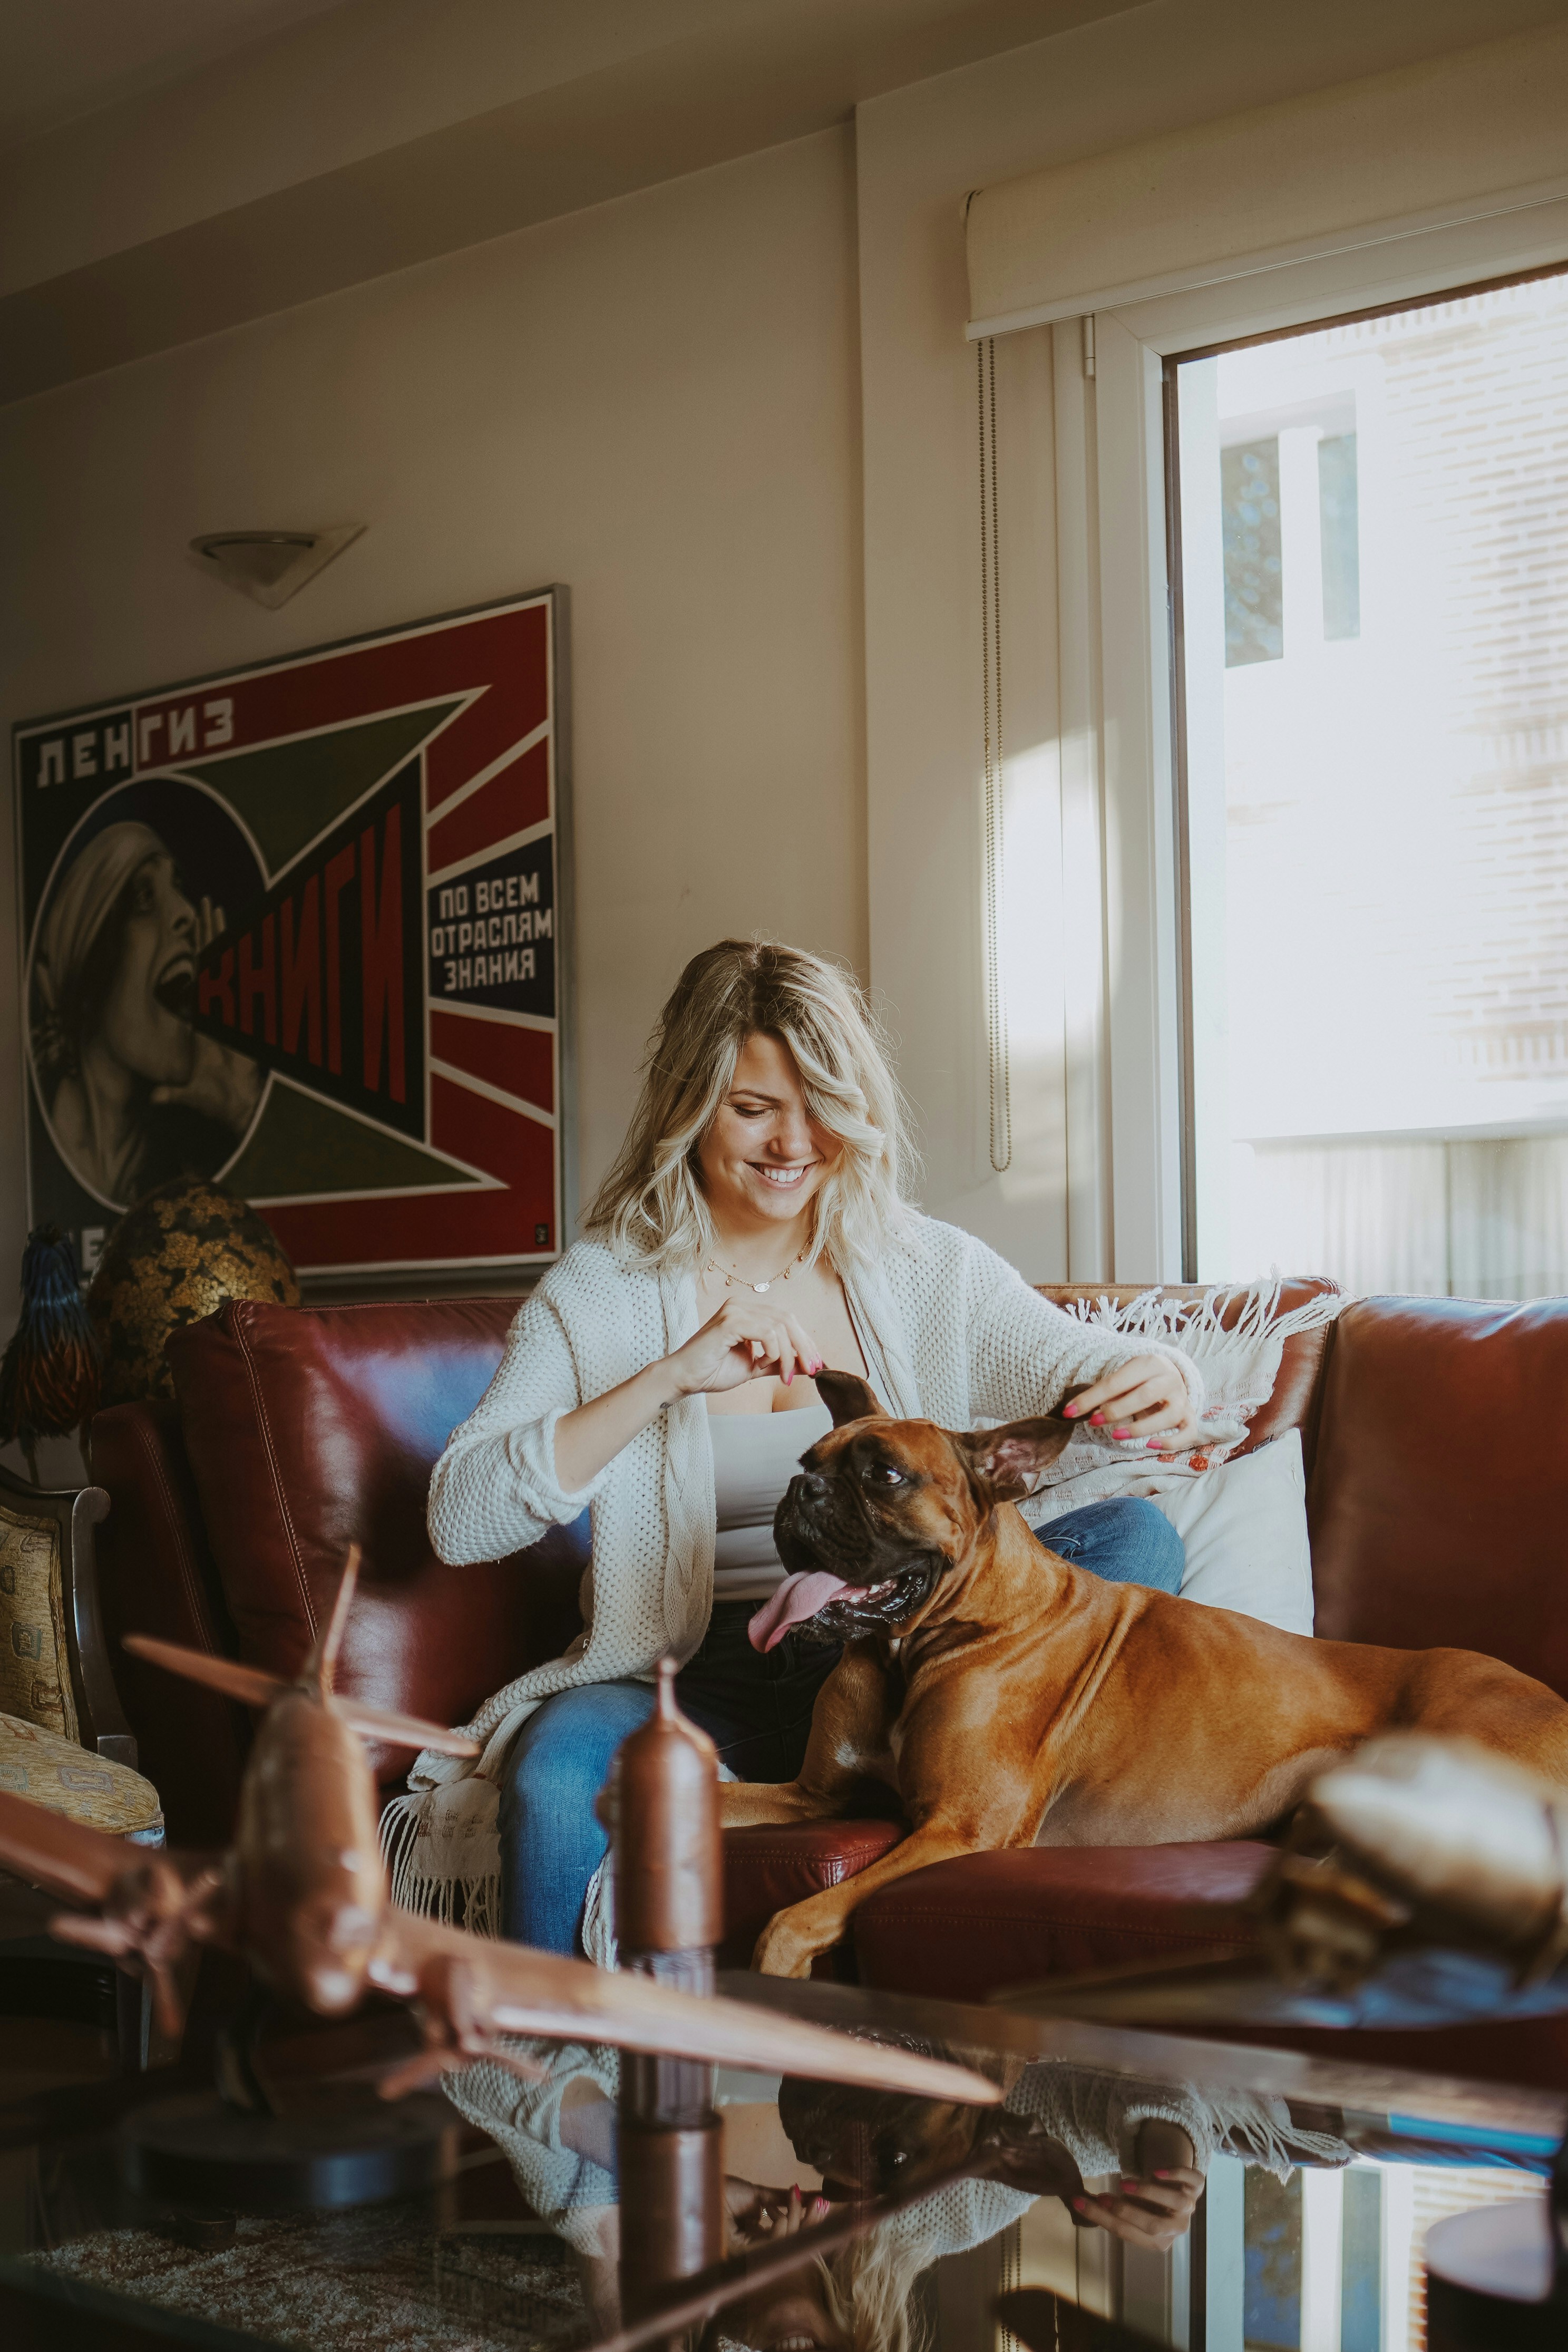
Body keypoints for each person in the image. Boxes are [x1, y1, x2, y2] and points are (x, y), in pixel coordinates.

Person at [423, 940, 1204, 1957]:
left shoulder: (916, 1263)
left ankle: (939, 1766)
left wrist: (1165, 1378)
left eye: (824, 1104)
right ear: (688, 1105)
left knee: (1132, 1540)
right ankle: (552, 2081)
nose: (796, 1141)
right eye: (753, 1108)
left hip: (902, 1657)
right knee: (556, 1778)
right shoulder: (603, 1289)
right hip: (687, 1672)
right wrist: (665, 1377)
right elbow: (460, 1516)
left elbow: (1087, 1363)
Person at [31, 820, 262, 1206]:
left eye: (176, 888)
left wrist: (242, 1109)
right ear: (88, 969)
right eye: (142, 898)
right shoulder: (34, 1164)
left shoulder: (188, 1158)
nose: (186, 912)